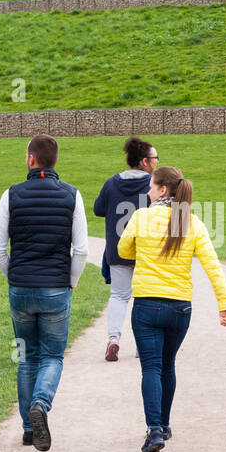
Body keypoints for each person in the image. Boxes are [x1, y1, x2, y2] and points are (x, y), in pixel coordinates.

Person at [117, 166, 226, 452]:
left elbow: (123, 250)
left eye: (152, 187)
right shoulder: (190, 222)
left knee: (151, 368)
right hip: (180, 307)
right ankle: (165, 424)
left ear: (163, 191)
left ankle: (154, 429)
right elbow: (212, 265)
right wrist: (225, 304)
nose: (148, 191)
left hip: (147, 305)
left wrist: (144, 252)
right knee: (167, 366)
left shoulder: (141, 217)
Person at [0, 134, 89, 452]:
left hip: (21, 289)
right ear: (55, 161)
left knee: (26, 356)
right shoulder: (72, 196)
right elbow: (83, 250)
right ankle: (41, 406)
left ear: (31, 159)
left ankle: (29, 429)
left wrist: (13, 276)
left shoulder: (11, 194)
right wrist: (69, 282)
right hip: (56, 289)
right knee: (52, 356)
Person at [93, 136, 158, 361]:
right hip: (146, 250)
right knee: (145, 298)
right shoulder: (153, 185)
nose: (157, 162)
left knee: (119, 296)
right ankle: (143, 345)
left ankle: (113, 338)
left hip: (118, 250)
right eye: (154, 158)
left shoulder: (112, 183)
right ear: (144, 161)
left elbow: (98, 209)